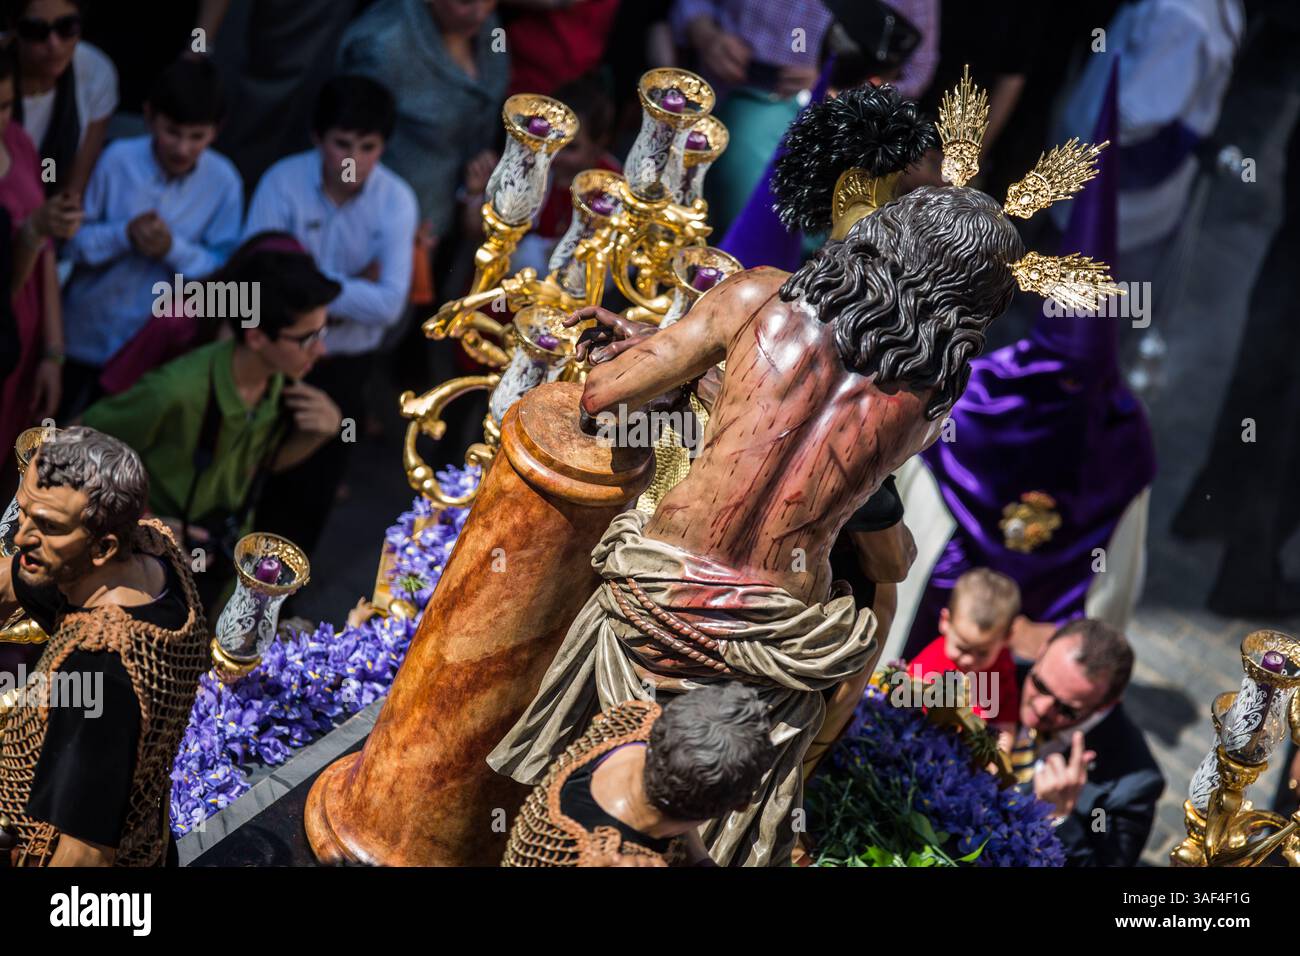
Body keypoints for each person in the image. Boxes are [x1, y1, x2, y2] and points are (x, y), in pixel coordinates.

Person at [488, 77, 1048, 866]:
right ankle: (769, 818)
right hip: (776, 638)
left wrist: (676, 360)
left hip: (655, 595)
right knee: (866, 625)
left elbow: (603, 394)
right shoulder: (924, 404)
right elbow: (833, 453)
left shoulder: (755, 296)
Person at [80, 234, 342, 609]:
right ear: (256, 337)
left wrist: (318, 436)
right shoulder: (175, 390)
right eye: (308, 339)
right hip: (139, 575)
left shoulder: (279, 384)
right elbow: (76, 447)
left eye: (324, 332)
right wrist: (142, 523)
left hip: (214, 569)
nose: (322, 350)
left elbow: (253, 467)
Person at [0, 426, 207, 866]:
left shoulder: (100, 670)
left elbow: (84, 858)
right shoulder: (151, 552)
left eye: (48, 526)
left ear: (103, 547)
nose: (21, 538)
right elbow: (10, 580)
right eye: (24, 513)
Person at [243, 74, 417, 558]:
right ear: (317, 137)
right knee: (245, 472)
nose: (353, 160)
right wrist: (352, 286)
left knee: (313, 490)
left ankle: (286, 592)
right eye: (343, 144)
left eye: (367, 147)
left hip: (344, 369)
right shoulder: (282, 181)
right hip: (273, 360)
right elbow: (258, 281)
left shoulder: (397, 200)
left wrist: (304, 283)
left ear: (383, 147)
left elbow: (389, 305)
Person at [59, 56, 243, 415]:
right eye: (172, 132)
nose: (183, 148)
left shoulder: (224, 183)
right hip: (82, 333)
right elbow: (71, 244)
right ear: (149, 117)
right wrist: (124, 235)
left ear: (216, 131)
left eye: (197, 137)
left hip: (150, 352)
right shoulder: (116, 160)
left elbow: (222, 274)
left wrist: (172, 249)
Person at [504, 682, 776, 867]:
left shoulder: (629, 727)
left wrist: (700, 859)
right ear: (738, 805)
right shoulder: (609, 858)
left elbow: (680, 784)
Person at [337, 0, 510, 250]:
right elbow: (350, 150)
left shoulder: (490, 29)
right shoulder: (380, 46)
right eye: (466, 1)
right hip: (401, 230)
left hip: (462, 220)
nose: (480, 12)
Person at [1010, 619, 1164, 867]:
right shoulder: (998, 675)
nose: (1040, 709)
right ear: (1041, 652)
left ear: (1105, 704)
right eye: (1040, 685)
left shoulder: (1132, 785)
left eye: (1067, 709)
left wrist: (1059, 818)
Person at [670, 0, 831, 235]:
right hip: (707, 95)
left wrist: (834, 81)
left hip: (808, 124)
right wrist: (705, 34)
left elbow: (891, 73)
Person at [0, 49, 81, 478]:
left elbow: (45, 252)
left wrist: (53, 351)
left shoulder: (19, 142)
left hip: (24, 348)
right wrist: (31, 232)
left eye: (5, 105)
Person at [7, 0, 116, 198]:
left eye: (67, 27)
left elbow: (73, 189)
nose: (54, 44)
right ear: (13, 28)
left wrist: (54, 211)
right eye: (36, 30)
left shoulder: (94, 71)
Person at [907, 568, 1022, 748]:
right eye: (962, 648)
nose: (969, 660)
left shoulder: (1003, 664)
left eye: (982, 653)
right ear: (945, 621)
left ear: (1006, 638)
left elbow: (1005, 722)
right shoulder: (925, 670)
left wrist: (999, 753)